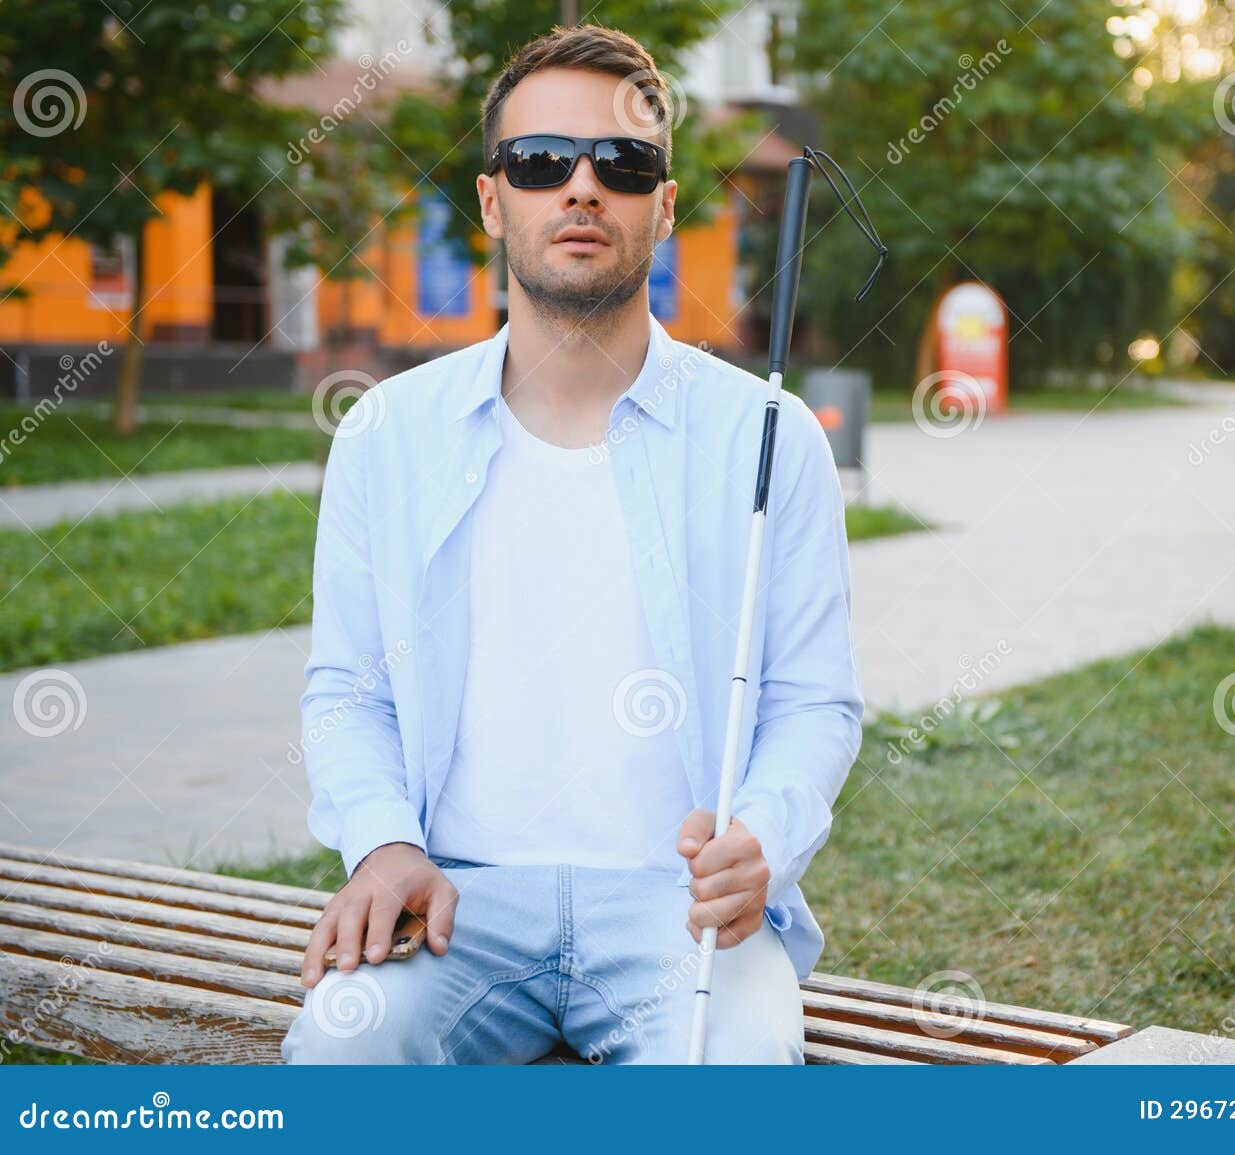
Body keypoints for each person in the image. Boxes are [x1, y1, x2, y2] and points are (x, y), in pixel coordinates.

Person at [280, 24, 863, 1065]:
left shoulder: (769, 438)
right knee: (337, 1053)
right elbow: (348, 691)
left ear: (666, 207)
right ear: (494, 198)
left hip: (676, 908)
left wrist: (762, 842)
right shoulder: (385, 434)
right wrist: (382, 843)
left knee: (728, 1077)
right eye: (543, 162)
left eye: (624, 164)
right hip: (452, 897)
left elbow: (813, 700)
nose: (582, 189)